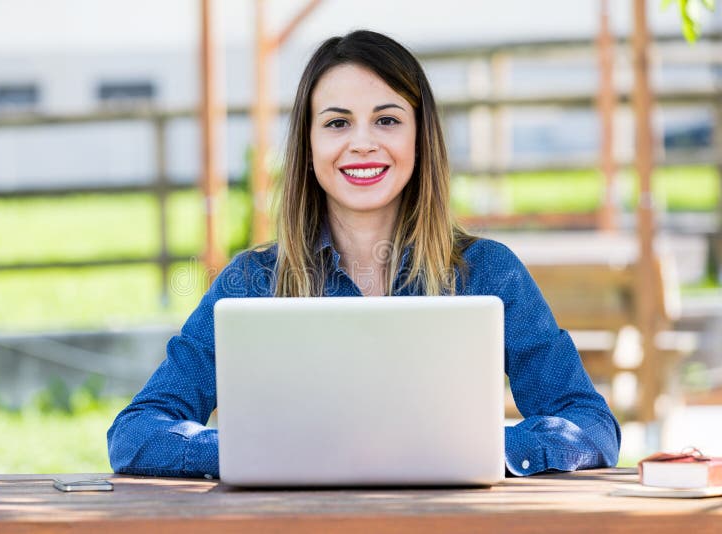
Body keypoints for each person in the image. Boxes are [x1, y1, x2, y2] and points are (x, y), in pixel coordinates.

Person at [107, 30, 621, 478]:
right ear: (308, 146)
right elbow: (136, 433)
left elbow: (590, 424)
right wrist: (260, 453)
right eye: (337, 123)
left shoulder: (487, 272)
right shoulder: (253, 282)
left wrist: (478, 450)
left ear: (420, 138)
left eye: (387, 120)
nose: (362, 143)